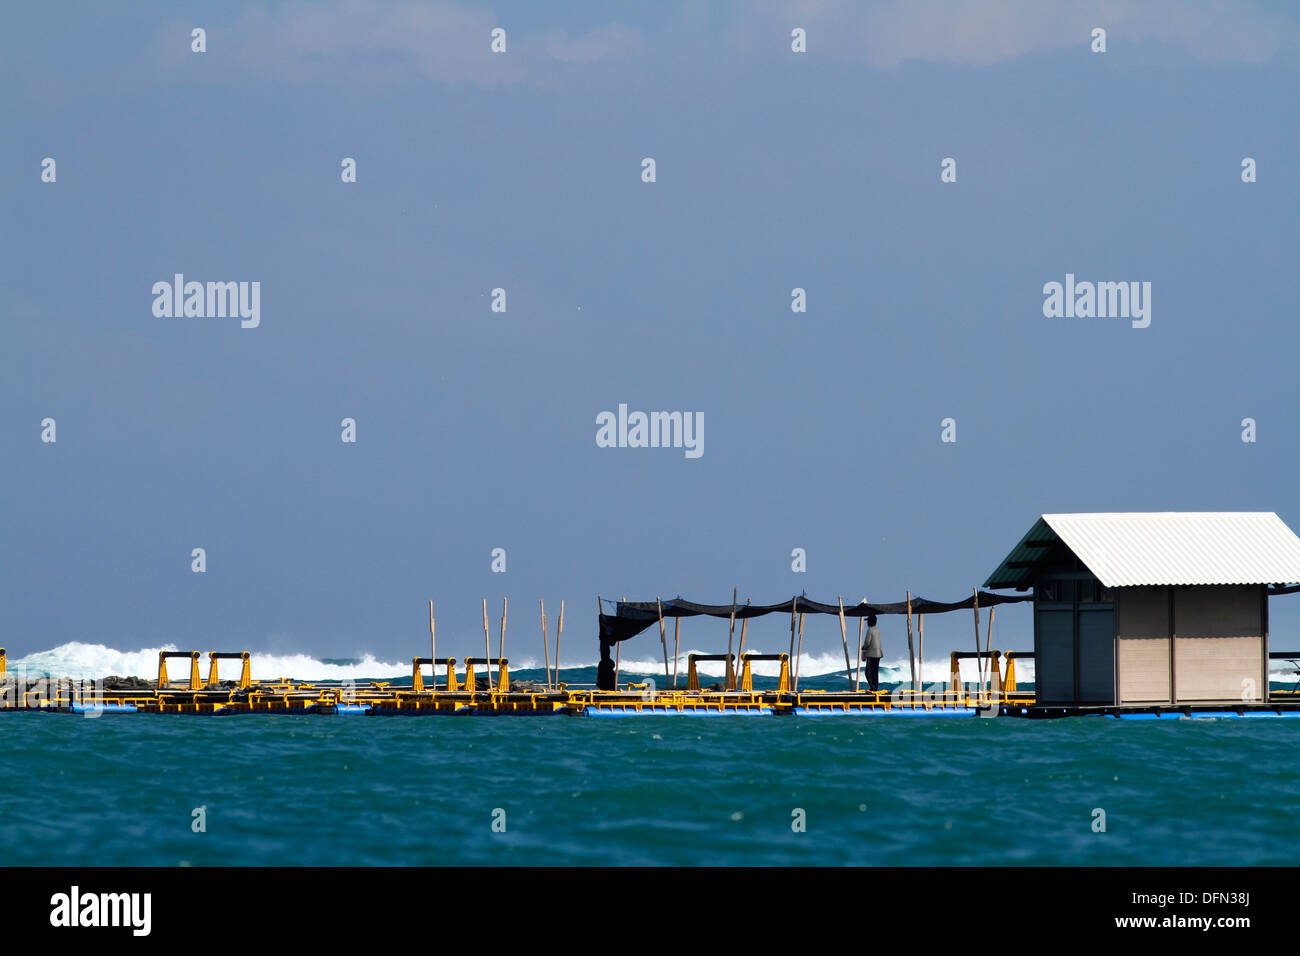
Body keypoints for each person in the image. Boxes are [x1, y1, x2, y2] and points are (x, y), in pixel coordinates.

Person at [861, 614, 884, 692]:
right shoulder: (878, 630)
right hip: (878, 653)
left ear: (871, 622)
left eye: (868, 621)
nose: (867, 623)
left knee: (868, 672)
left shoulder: (870, 630)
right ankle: (875, 687)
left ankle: (872, 687)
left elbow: (867, 642)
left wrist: (863, 647)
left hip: (871, 653)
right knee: (875, 671)